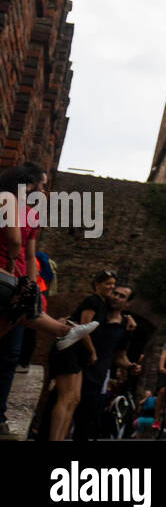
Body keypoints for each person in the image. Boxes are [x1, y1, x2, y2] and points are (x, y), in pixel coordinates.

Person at [0, 164, 94, 438]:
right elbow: (16, 242)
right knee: (13, 341)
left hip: (11, 283)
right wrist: (14, 272)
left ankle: (63, 329)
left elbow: (30, 255)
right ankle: (62, 330)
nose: (44, 192)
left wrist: (28, 286)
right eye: (41, 186)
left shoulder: (27, 212)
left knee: (12, 345)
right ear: (26, 184)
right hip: (5, 280)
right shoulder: (7, 199)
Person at [48, 269, 115, 441]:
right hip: (69, 347)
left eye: (113, 284)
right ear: (97, 284)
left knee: (75, 398)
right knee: (66, 397)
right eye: (107, 283)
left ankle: (61, 437)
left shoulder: (102, 304)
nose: (111, 287)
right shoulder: (92, 301)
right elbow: (83, 328)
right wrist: (92, 351)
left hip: (76, 351)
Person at [73, 282, 142, 440]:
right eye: (115, 293)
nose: (116, 297)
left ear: (128, 303)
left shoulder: (126, 326)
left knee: (86, 422)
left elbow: (119, 356)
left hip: (97, 376)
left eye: (121, 296)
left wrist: (130, 366)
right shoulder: (96, 313)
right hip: (76, 367)